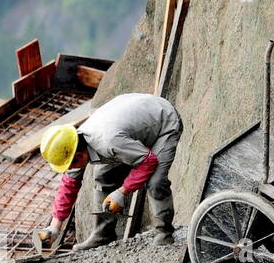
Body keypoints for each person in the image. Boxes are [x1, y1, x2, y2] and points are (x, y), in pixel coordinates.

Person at [38, 93, 182, 250]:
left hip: (163, 122)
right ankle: (103, 236)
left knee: (156, 182)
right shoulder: (75, 143)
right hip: (133, 124)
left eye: (70, 166)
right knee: (103, 176)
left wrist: (122, 192)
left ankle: (164, 233)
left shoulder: (109, 143)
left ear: (79, 155)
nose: (70, 170)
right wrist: (54, 226)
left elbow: (149, 161)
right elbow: (69, 184)